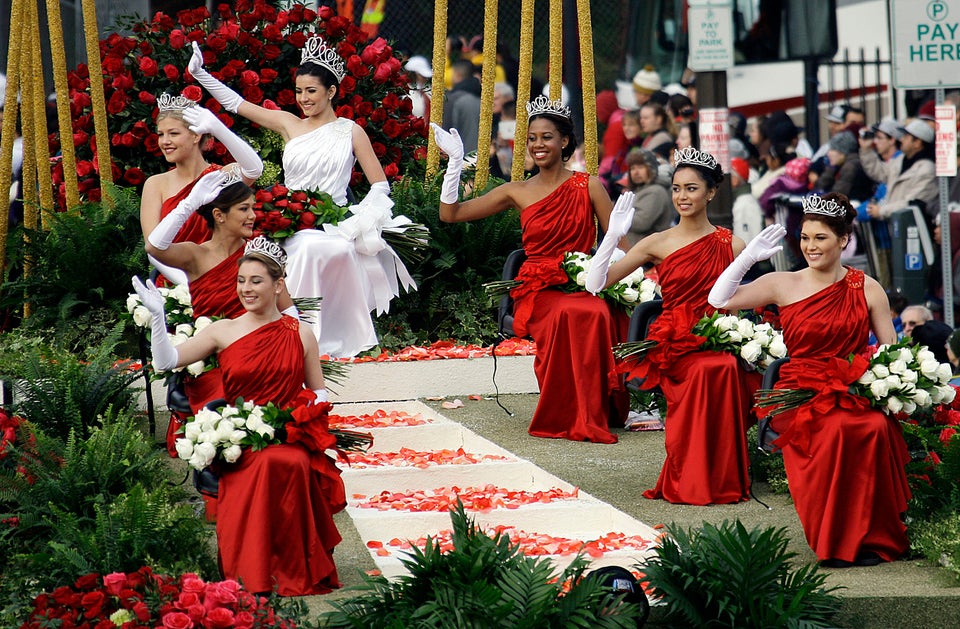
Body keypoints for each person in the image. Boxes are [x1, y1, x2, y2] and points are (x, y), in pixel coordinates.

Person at [708, 192, 910, 567]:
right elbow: (719, 298)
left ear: (843, 240)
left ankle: (872, 537)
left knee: (873, 428)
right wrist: (748, 257)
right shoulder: (782, 282)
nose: (810, 246)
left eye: (820, 238)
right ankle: (834, 540)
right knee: (834, 432)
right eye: (805, 237)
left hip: (852, 387)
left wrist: (890, 383)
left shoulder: (867, 287)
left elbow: (891, 350)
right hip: (798, 390)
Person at [132, 237, 343, 596]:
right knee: (263, 463)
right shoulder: (222, 330)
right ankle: (252, 572)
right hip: (237, 440)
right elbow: (167, 361)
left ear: (278, 285)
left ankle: (288, 569)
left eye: (256, 281)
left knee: (285, 461)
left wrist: (298, 419)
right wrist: (157, 318)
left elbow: (319, 391)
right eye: (241, 280)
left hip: (289, 436)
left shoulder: (301, 333)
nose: (246, 288)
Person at [188, 36, 413, 357]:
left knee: (316, 248)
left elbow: (380, 185)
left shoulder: (351, 130)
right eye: (299, 91)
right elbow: (238, 105)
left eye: (311, 91)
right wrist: (200, 75)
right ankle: (279, 337)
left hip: (334, 224)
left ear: (331, 91)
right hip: (285, 220)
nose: (303, 98)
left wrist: (361, 221)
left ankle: (311, 340)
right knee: (284, 250)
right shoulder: (289, 123)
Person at [431, 95, 633, 444]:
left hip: (585, 280)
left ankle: (595, 410)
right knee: (571, 312)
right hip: (538, 288)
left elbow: (622, 247)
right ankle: (565, 413)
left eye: (547, 137)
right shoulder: (516, 190)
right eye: (533, 138)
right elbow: (451, 215)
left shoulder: (589, 186)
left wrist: (625, 264)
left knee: (597, 311)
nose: (538, 145)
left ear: (565, 141)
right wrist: (453, 165)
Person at [586, 146, 756, 505]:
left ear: (711, 192)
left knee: (725, 367)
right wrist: (612, 235)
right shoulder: (657, 242)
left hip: (719, 340)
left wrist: (742, 342)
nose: (682, 196)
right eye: (677, 188)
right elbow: (596, 283)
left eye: (691, 188)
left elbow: (737, 304)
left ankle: (721, 478)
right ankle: (688, 476)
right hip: (674, 342)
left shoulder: (733, 243)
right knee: (707, 372)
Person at [140, 94, 264, 286]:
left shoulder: (220, 176)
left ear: (196, 135)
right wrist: (188, 287)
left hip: (229, 277)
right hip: (176, 283)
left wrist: (217, 127)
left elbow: (254, 168)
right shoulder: (155, 184)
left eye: (173, 134)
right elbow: (153, 250)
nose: (165, 141)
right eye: (160, 134)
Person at [861, 119, 938, 223]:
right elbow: (879, 172)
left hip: (913, 228)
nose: (901, 139)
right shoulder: (900, 160)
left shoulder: (927, 169)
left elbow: (912, 203)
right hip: (897, 225)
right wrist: (866, 150)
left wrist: (881, 211)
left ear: (917, 143)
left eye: (906, 137)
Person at [621, 148, 674, 246]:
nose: (636, 172)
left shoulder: (655, 191)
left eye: (640, 167)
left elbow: (642, 223)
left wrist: (617, 215)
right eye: (632, 168)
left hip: (647, 252)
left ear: (651, 169)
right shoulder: (640, 190)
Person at [443, 59, 482, 155]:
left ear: (457, 75)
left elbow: (445, 131)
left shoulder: (452, 100)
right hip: (482, 157)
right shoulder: (483, 100)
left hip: (459, 158)